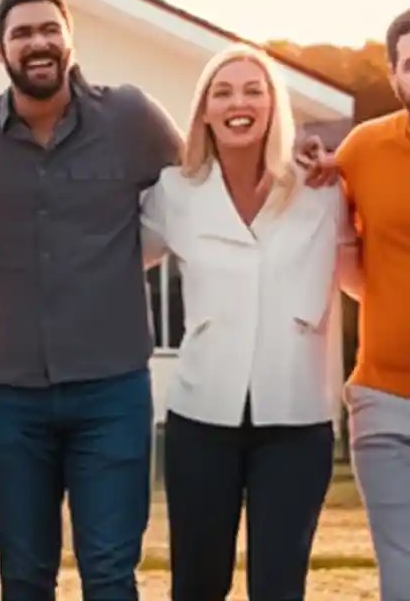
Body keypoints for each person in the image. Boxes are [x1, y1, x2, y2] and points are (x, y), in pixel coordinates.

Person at [0, 0, 184, 600]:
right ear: (1, 51)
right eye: (22, 33)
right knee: (23, 575)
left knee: (110, 574)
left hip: (112, 389)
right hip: (10, 392)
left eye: (49, 29)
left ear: (70, 40)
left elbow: (201, 182)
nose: (37, 42)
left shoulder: (132, 117)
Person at [140, 44, 359, 600]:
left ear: (273, 107)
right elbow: (111, 260)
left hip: (297, 418)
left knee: (280, 586)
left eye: (253, 90)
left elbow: (361, 270)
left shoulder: (323, 186)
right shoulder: (175, 193)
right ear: (205, 111)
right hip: (200, 418)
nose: (239, 102)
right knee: (196, 583)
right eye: (223, 91)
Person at [332, 7, 410, 600]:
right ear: (394, 75)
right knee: (402, 575)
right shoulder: (363, 149)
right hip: (384, 401)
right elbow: (337, 243)